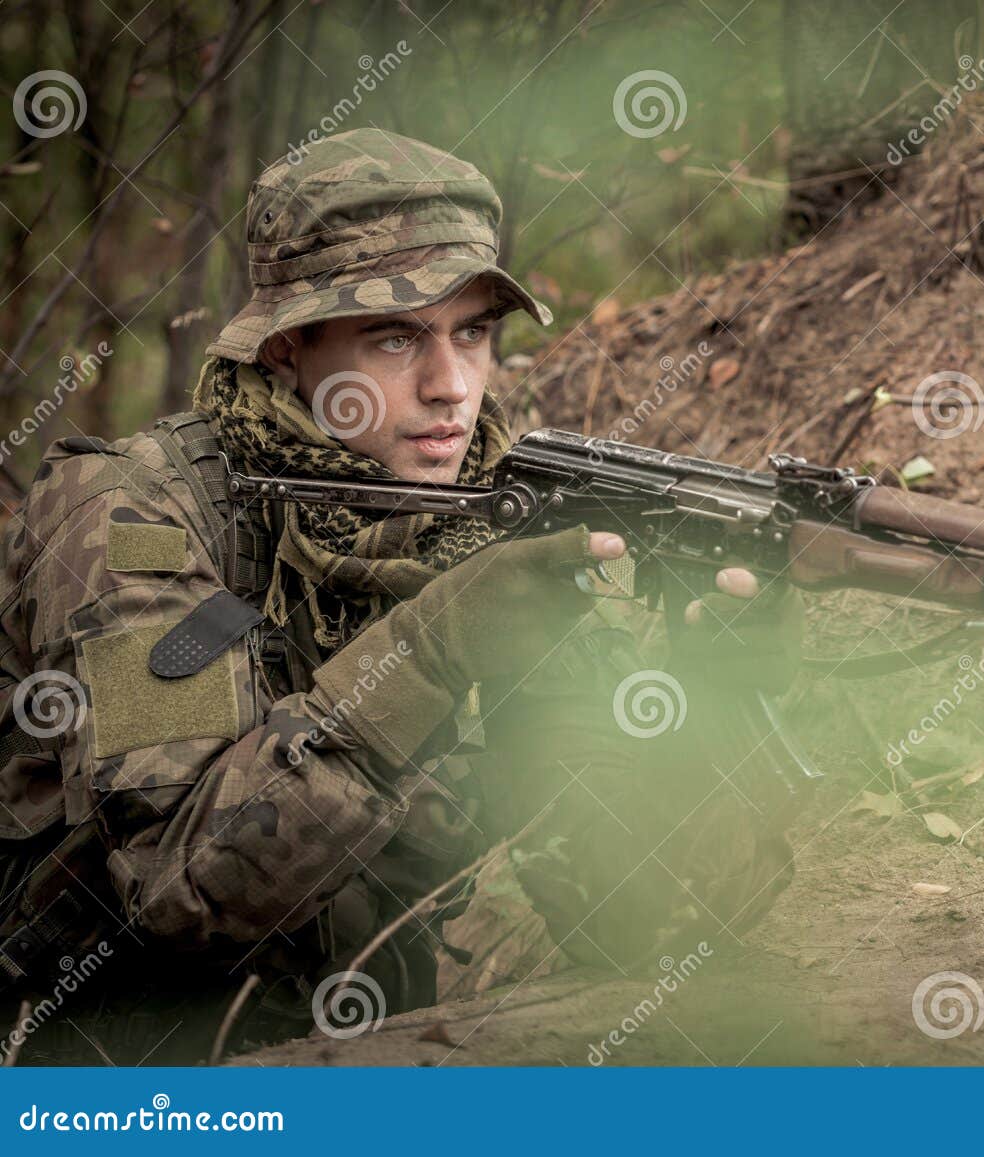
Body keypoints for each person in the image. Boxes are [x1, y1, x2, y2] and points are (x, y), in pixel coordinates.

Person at [0, 129, 802, 1065]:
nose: (450, 386)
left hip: (385, 1050)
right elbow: (178, 883)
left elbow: (636, 921)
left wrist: (712, 706)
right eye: (395, 338)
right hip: (124, 1063)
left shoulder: (493, 521)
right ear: (290, 349)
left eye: (473, 334)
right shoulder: (131, 514)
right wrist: (430, 652)